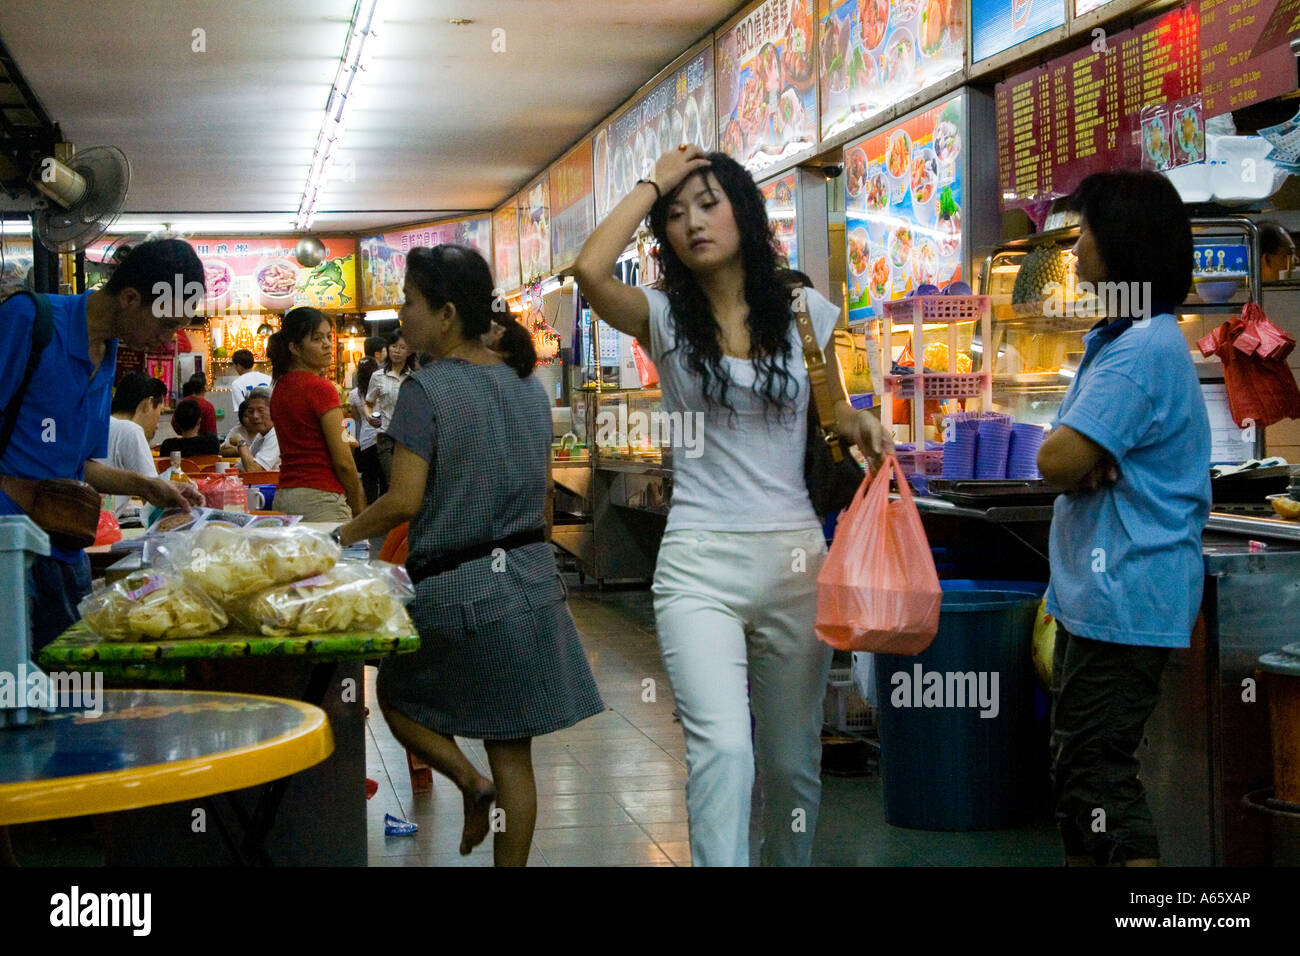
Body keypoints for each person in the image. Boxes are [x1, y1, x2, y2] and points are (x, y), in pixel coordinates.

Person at [572, 147, 890, 867]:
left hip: (796, 563)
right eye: (675, 215)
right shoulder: (660, 317)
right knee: (724, 752)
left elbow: (835, 408)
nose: (692, 223)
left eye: (708, 203)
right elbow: (590, 271)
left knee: (790, 765)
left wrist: (860, 423)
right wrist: (654, 179)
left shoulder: (806, 311)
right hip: (697, 564)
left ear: (744, 210)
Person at [336, 244, 603, 866]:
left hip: (456, 587)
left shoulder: (425, 390)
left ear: (448, 313)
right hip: (531, 579)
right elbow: (541, 501)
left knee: (398, 700)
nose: (401, 317)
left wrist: (339, 537)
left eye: (409, 303)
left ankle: (467, 780)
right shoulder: (528, 387)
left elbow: (403, 499)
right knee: (514, 751)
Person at [1036, 170, 1211, 867]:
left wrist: (1077, 457)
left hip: (1127, 597)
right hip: (1103, 600)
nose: (1075, 251)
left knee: (1100, 777)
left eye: (1085, 233)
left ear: (1122, 244)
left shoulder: (1141, 350)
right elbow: (1069, 455)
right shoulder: (1123, 339)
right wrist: (1078, 456)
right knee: (1081, 779)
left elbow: (1055, 460)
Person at [0, 238, 204, 650]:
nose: (168, 342)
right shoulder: (30, 320)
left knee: (74, 689)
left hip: (66, 551)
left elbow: (80, 466)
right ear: (130, 298)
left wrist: (150, 486)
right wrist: (17, 490)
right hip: (9, 552)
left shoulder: (109, 352)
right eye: (166, 325)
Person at [268, 307, 365, 520]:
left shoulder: (280, 388)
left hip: (285, 496)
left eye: (328, 337)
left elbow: (305, 438)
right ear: (294, 347)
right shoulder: (321, 388)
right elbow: (344, 462)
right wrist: (358, 506)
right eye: (317, 338)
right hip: (321, 500)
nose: (328, 344)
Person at [95, 372, 167, 516]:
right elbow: (154, 497)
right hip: (101, 530)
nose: (157, 425)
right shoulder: (130, 430)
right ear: (147, 404)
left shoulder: (99, 423)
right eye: (159, 414)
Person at [365, 329, 415, 483]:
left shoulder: (414, 377)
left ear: (409, 352)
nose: (397, 351)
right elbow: (368, 403)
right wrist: (369, 416)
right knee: (392, 480)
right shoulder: (377, 376)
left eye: (402, 347)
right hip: (385, 435)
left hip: (408, 438)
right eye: (393, 346)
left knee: (406, 482)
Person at [347, 358, 383, 502]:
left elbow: (355, 416)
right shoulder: (382, 390)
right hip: (383, 436)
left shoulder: (354, 394)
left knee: (369, 479)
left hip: (366, 440)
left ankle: (370, 508)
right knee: (385, 478)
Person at [220, 389, 279, 472]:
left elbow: (253, 470)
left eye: (260, 410)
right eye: (250, 411)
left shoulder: (276, 434)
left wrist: (241, 442)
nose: (255, 416)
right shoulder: (261, 435)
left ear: (273, 411)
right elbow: (240, 467)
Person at [226, 348, 271, 420]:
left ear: (239, 366)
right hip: (269, 420)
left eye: (234, 365)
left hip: (252, 422)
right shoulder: (268, 378)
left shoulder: (237, 383)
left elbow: (241, 410)